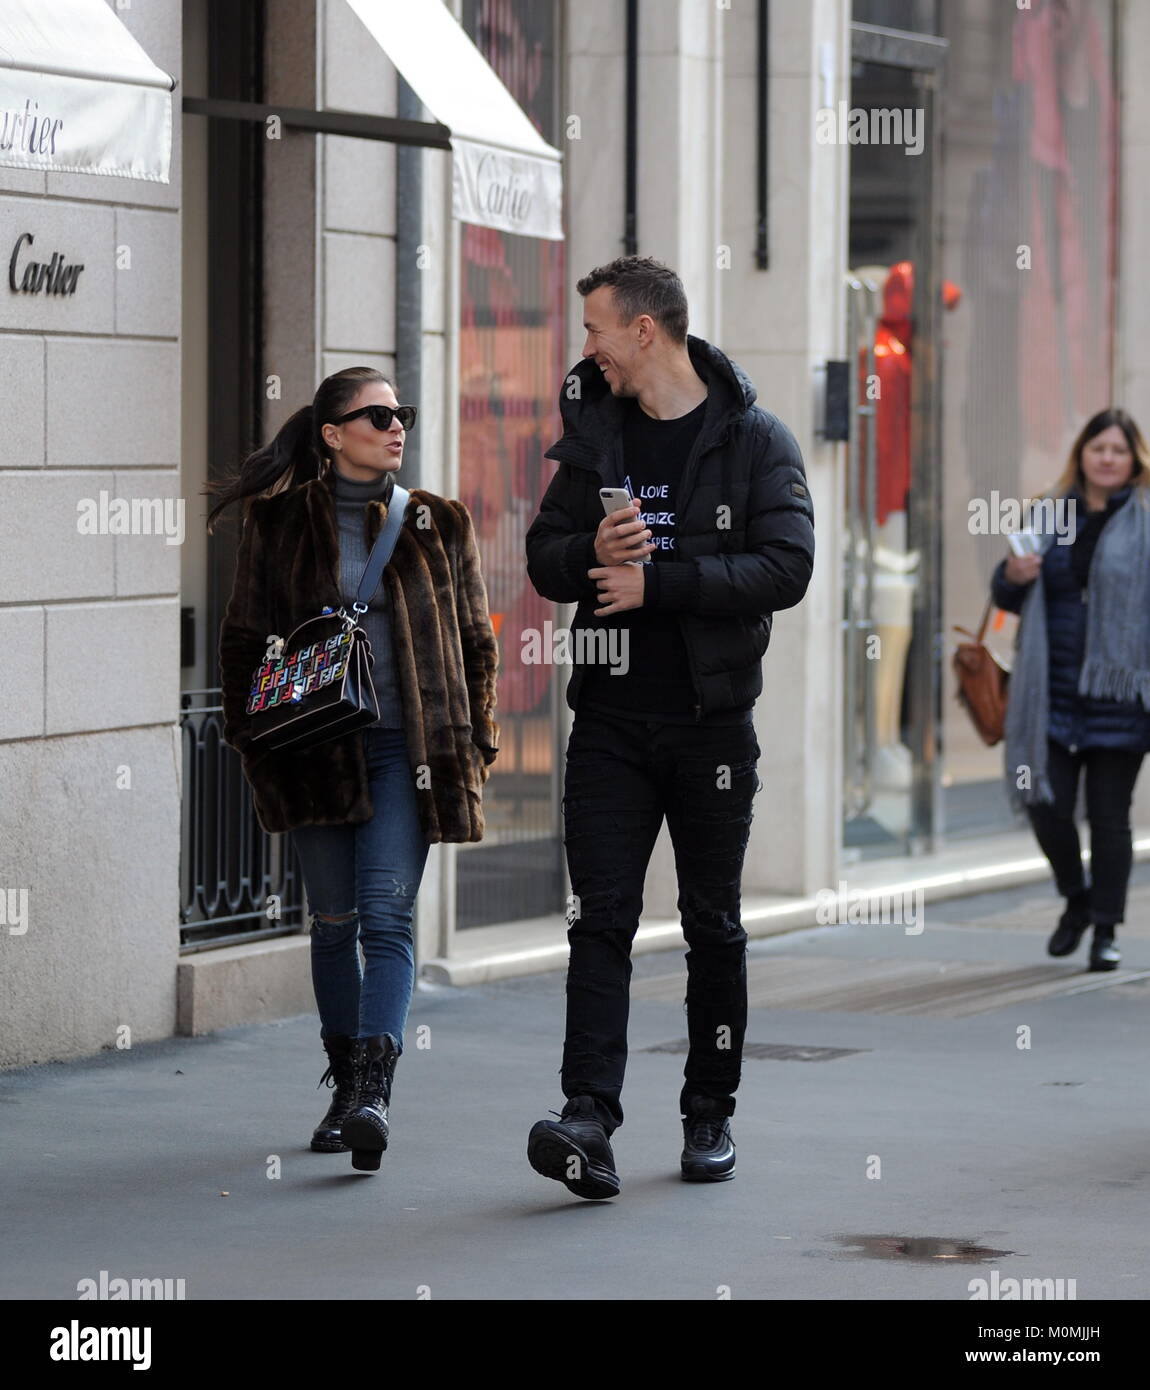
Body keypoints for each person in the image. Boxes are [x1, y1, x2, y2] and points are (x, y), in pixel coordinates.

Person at [524, 256, 816, 1199]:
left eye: (597, 329)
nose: (589, 349)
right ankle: (588, 1118)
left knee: (712, 926)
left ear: (646, 329)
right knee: (598, 922)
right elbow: (541, 557)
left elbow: (786, 566)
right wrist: (588, 552)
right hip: (608, 719)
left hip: (710, 727)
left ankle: (710, 1112)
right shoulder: (593, 431)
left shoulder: (753, 439)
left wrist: (665, 581)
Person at [208, 367, 499, 1172]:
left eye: (401, 411)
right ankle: (343, 1087)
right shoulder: (276, 525)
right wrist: (253, 741)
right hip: (313, 753)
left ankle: (373, 1091)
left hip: (410, 755)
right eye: (376, 415)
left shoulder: (441, 522)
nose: (396, 425)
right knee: (334, 925)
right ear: (333, 435)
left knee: (387, 917)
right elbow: (242, 642)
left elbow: (477, 643)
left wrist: (476, 742)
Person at [993, 408, 1150, 972]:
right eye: (1098, 448)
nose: (1107, 458)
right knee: (1046, 803)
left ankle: (1106, 930)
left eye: (1118, 450)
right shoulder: (1051, 514)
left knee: (1110, 818)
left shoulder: (1148, 520)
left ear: (1134, 460)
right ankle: (1077, 898)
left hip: (1123, 695)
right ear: (1081, 454)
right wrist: (1012, 577)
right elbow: (1007, 592)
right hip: (1051, 692)